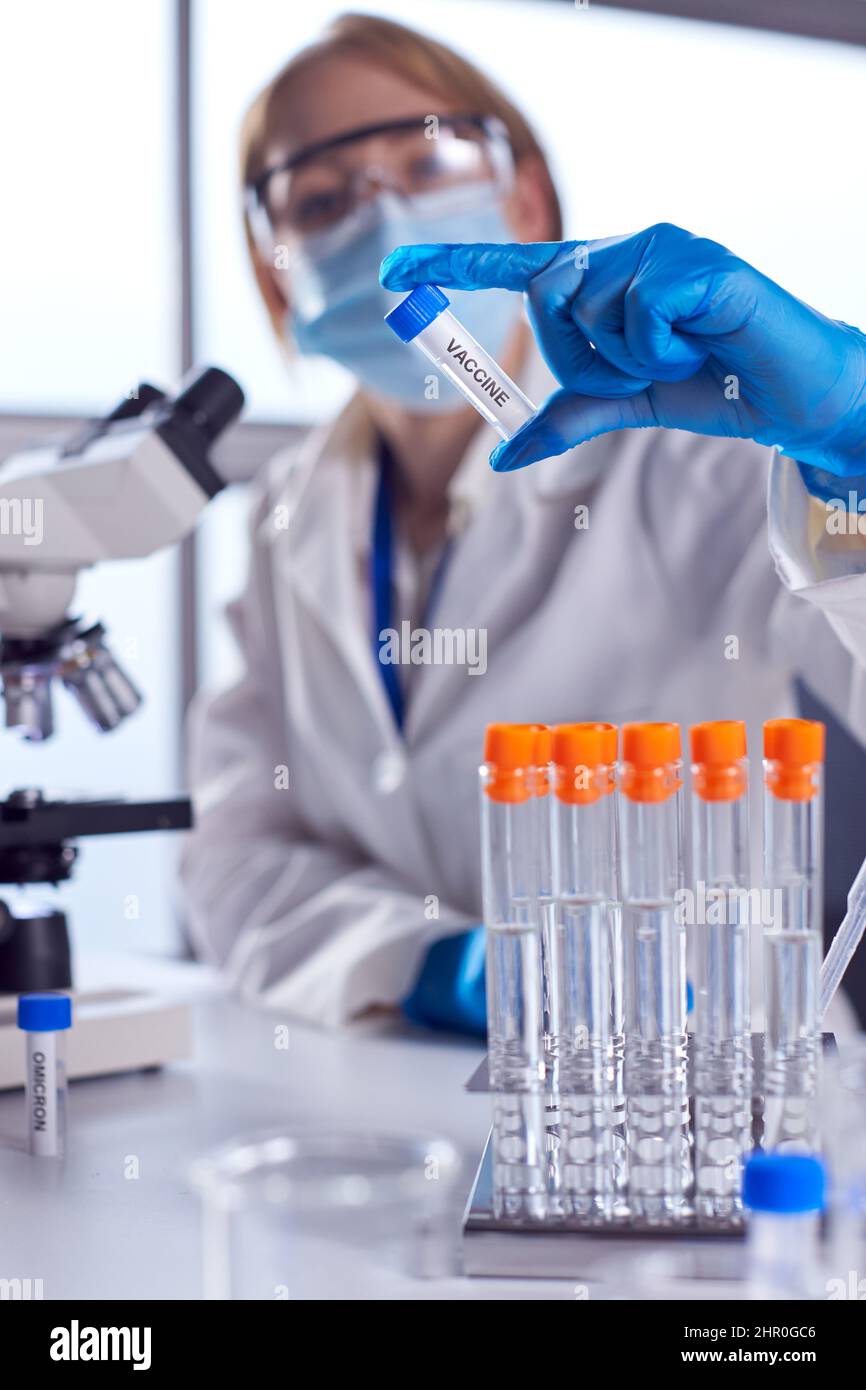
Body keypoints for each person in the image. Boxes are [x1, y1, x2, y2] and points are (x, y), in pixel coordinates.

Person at [182, 12, 866, 1034]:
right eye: (321, 200)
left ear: (528, 200)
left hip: (705, 1069)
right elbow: (236, 847)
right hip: (399, 1076)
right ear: (274, 269)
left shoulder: (689, 459)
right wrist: (436, 963)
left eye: (425, 163)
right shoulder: (288, 513)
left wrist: (855, 448)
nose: (380, 216)